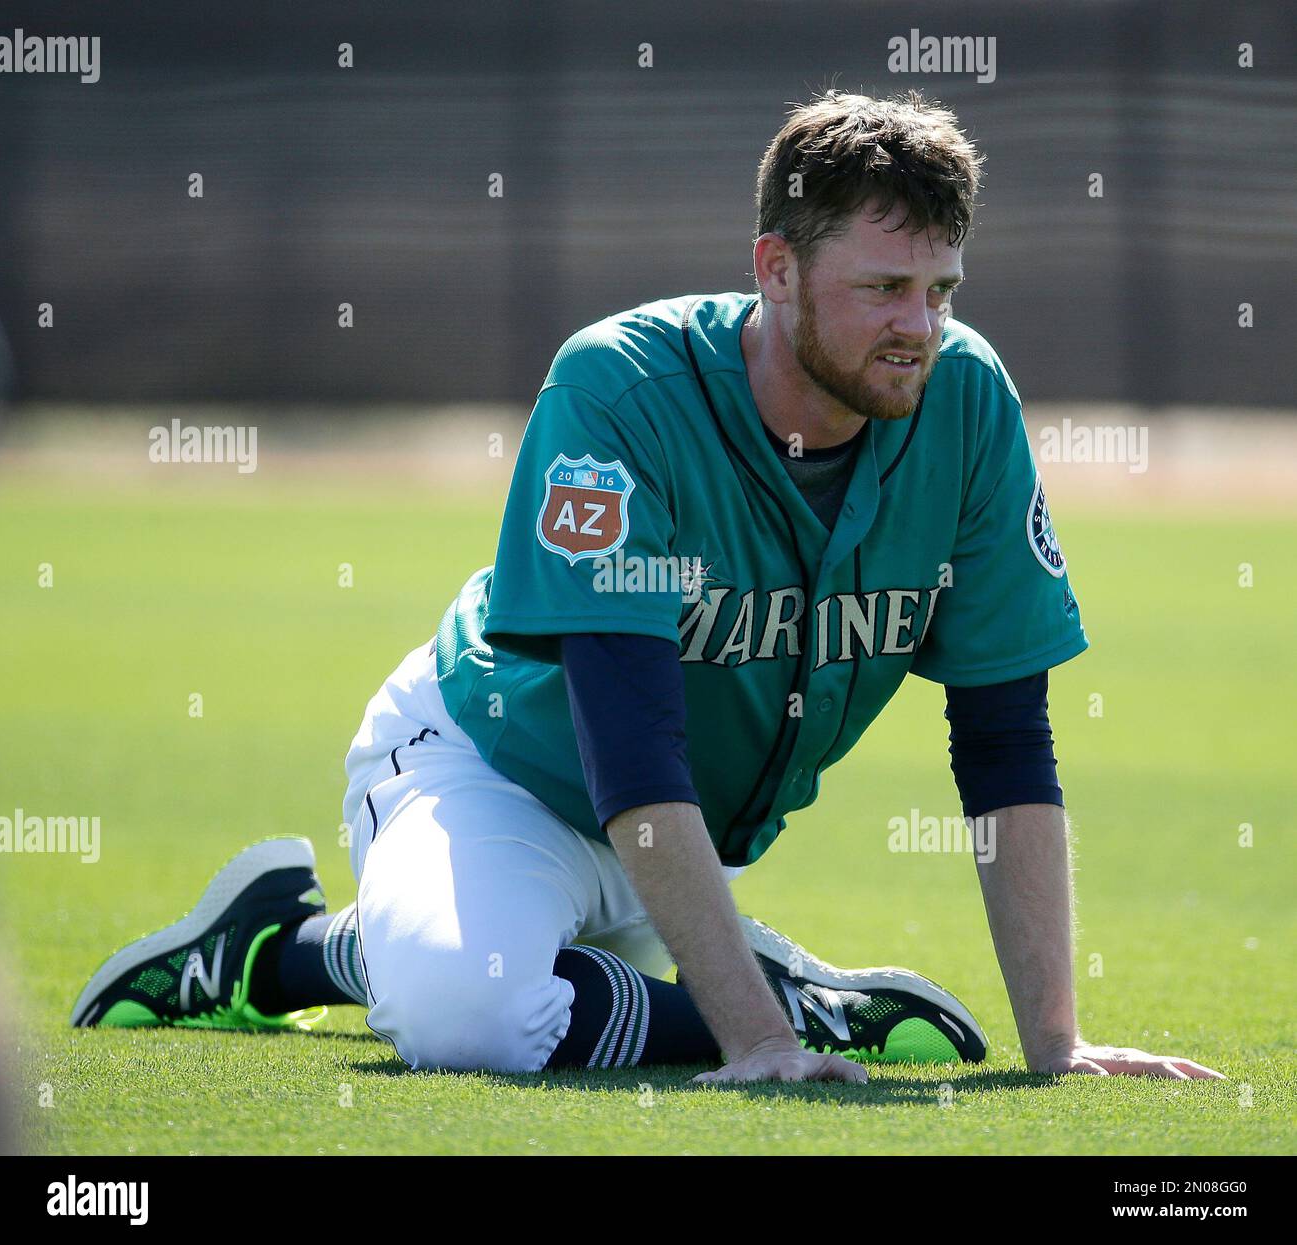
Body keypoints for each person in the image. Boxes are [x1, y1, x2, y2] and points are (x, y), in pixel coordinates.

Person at [72, 89, 1222, 1085]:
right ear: (775, 267)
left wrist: (1054, 1043)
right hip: (498, 774)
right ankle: (276, 954)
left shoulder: (965, 398)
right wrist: (760, 1035)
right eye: (882, 287)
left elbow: (1007, 734)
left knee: (529, 989)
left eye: (940, 289)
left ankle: (678, 968)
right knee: (471, 1014)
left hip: (681, 838)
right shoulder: (620, 386)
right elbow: (626, 740)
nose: (918, 326)